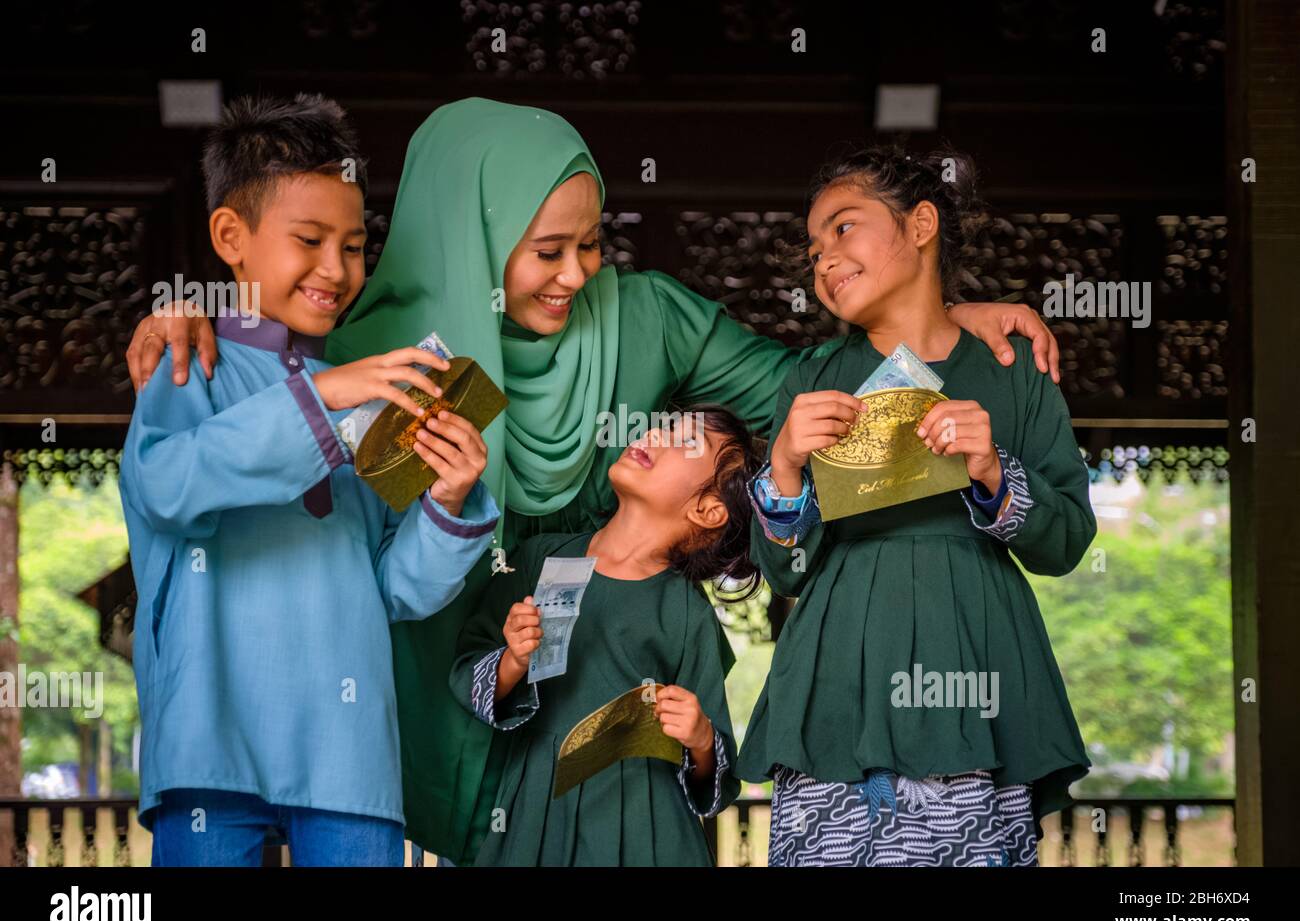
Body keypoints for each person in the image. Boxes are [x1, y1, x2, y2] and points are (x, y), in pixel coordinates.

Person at [125, 97, 1064, 865]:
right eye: (546, 251)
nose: (578, 274)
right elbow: (262, 365)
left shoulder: (646, 317)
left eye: (591, 243)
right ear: (473, 231)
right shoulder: (375, 346)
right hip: (446, 657)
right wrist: (187, 313)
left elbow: (807, 393)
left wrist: (925, 313)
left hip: (601, 649)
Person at [120, 94, 499, 866]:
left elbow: (393, 588)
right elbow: (165, 486)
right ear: (231, 235)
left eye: (355, 245)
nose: (337, 269)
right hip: (209, 743)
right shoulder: (194, 363)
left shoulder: (365, 388)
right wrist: (323, 398)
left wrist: (448, 502)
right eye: (310, 239)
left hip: (348, 754)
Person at [736, 144, 1094, 866]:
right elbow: (784, 572)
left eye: (843, 228)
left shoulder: (1011, 370)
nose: (824, 259)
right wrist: (783, 467)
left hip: (974, 665)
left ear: (921, 223)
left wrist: (993, 472)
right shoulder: (810, 379)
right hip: (834, 679)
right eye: (812, 250)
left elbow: (1065, 543)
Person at [450, 405, 758, 865]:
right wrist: (513, 660)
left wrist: (698, 737)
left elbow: (715, 780)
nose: (656, 434)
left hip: (644, 824)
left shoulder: (688, 613)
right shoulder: (540, 560)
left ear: (708, 510)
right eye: (664, 425)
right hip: (535, 811)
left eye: (687, 440)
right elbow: (466, 667)